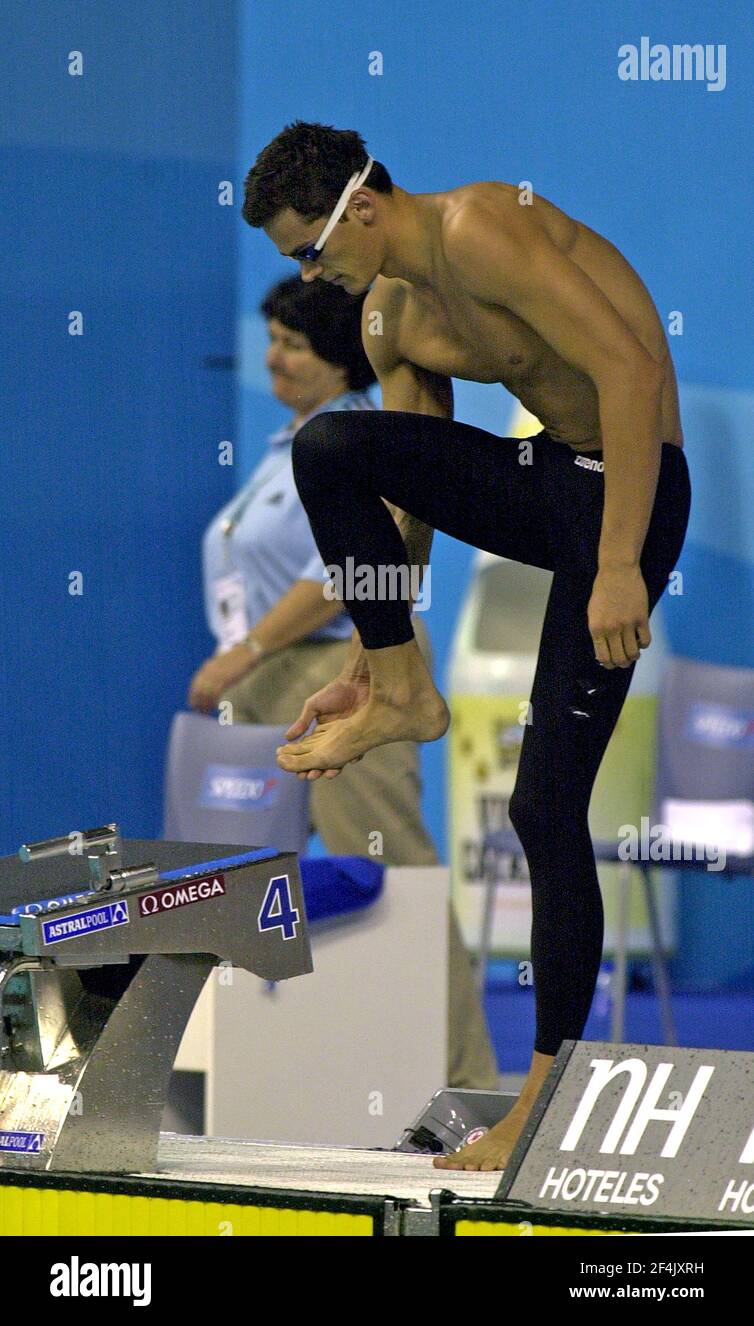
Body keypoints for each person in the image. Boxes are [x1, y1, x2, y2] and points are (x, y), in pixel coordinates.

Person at [241, 121, 692, 1172]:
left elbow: (628, 373)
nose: (313, 274)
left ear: (359, 204)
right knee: (334, 446)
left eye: (311, 249)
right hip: (545, 481)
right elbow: (405, 497)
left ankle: (540, 1100)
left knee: (543, 807)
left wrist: (620, 564)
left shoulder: (482, 226)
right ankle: (406, 697)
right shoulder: (386, 312)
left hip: (630, 489)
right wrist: (373, 654)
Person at [188, 272, 499, 1092]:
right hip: (279, 680)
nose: (273, 359)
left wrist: (245, 651)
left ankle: (466, 1078)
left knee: (396, 869)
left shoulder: (353, 437)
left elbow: (345, 573)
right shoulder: (284, 445)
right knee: (261, 882)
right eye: (273, 342)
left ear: (337, 360)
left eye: (292, 345)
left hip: (349, 661)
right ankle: (297, 1080)